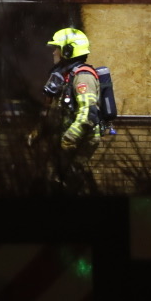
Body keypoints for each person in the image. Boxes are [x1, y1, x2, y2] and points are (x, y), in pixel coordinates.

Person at [44, 26, 102, 194]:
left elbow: (88, 113)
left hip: (81, 139)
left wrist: (69, 138)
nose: (54, 52)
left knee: (71, 180)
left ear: (68, 51)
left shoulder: (83, 76)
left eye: (58, 48)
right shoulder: (67, 75)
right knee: (59, 178)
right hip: (68, 139)